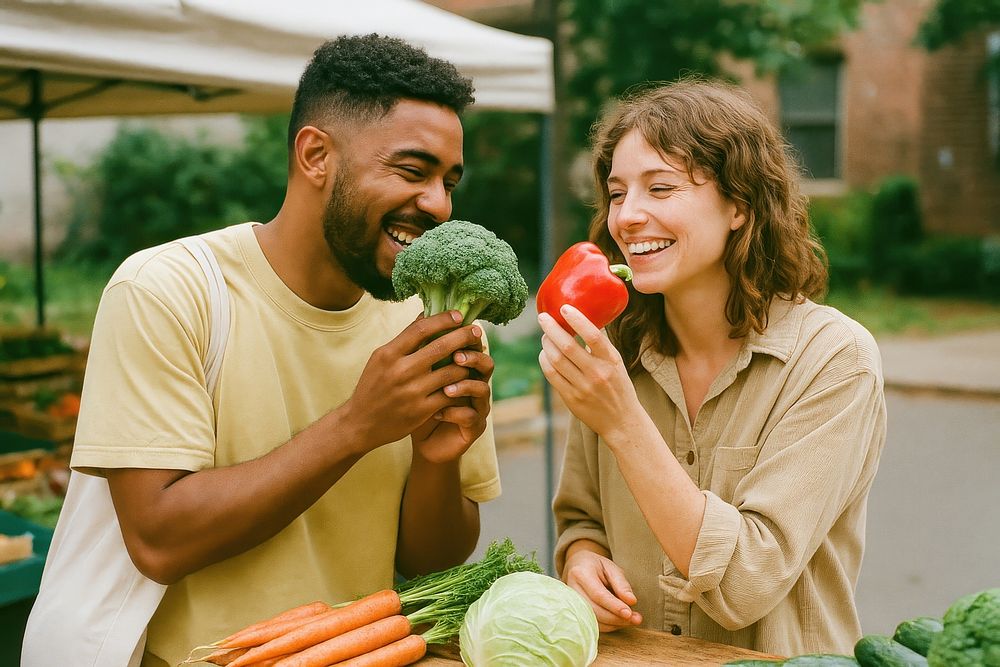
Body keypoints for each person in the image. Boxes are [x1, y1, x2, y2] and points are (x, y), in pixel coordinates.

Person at [23, 34, 501, 667]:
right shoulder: (168, 291)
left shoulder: (432, 318)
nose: (439, 203)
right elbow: (158, 540)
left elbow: (431, 559)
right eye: (413, 172)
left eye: (449, 181)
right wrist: (357, 426)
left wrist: (437, 460)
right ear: (315, 155)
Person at [539, 78, 886, 657]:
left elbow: (745, 581)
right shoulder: (615, 351)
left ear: (740, 207)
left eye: (662, 188)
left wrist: (623, 421)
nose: (628, 217)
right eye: (618, 193)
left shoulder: (833, 361)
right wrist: (582, 559)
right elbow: (582, 519)